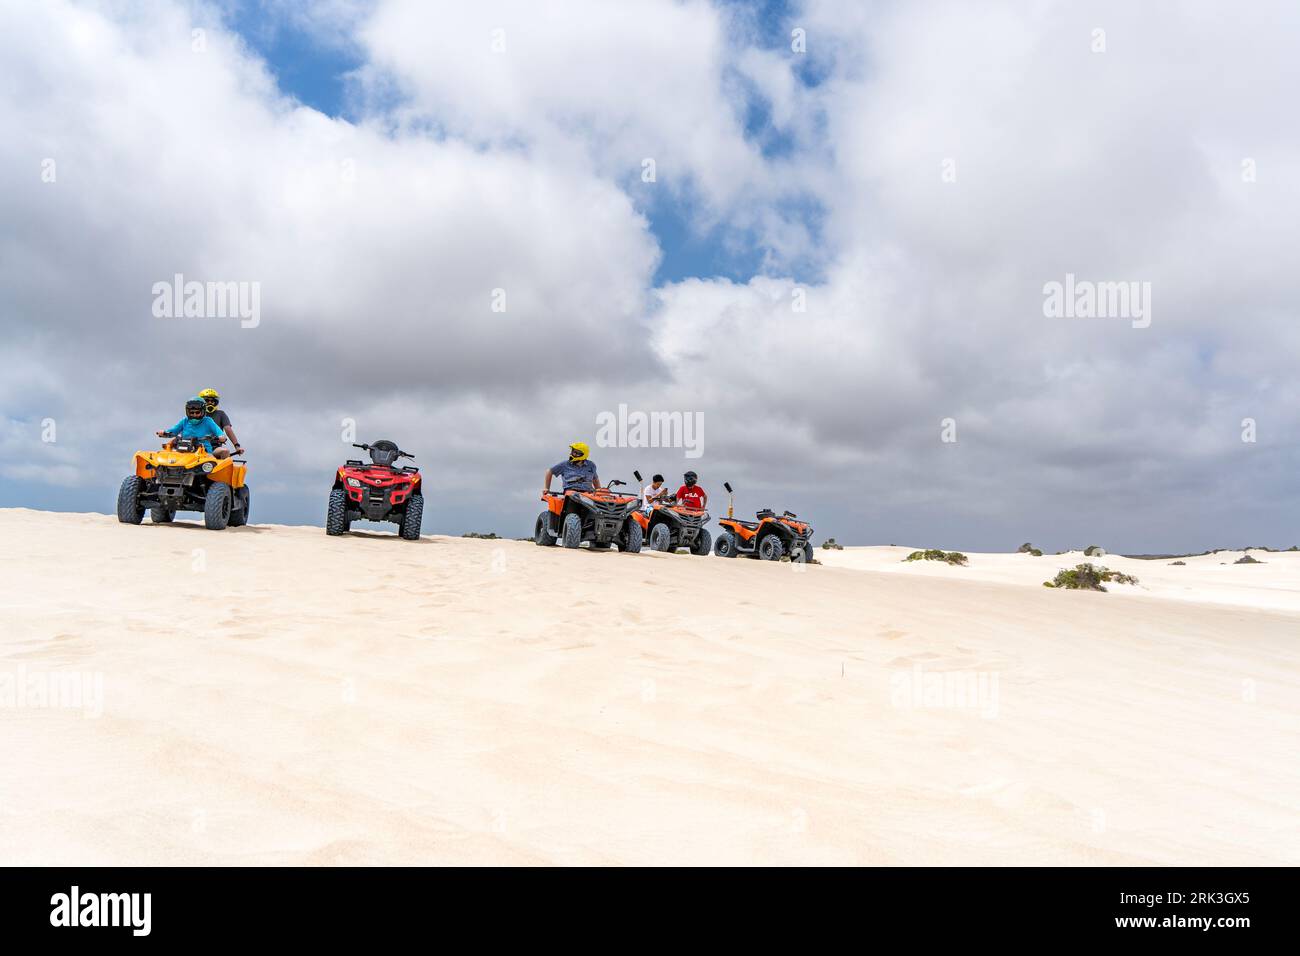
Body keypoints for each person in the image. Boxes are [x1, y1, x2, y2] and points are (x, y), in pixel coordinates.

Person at [157, 397, 226, 454]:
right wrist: (164, 432)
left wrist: (221, 436)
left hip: (204, 452)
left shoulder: (208, 421)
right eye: (191, 413)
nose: (194, 415)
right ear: (187, 412)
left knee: (216, 458)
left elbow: (218, 431)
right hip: (183, 450)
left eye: (197, 412)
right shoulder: (185, 421)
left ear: (203, 411)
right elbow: (173, 431)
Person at [198, 387, 243, 458]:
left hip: (214, 448)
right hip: (195, 447)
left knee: (225, 451)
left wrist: (237, 446)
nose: (210, 403)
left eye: (212, 401)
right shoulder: (195, 414)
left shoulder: (220, 414)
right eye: (207, 401)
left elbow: (228, 429)